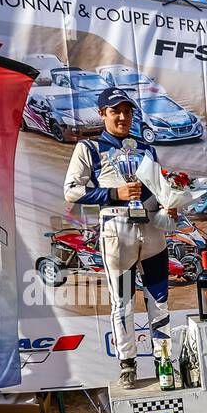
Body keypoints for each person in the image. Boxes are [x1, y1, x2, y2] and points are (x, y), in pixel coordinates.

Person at [64, 87, 175, 390]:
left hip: (151, 232)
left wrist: (170, 201)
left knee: (160, 302)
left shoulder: (145, 148)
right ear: (102, 114)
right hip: (118, 235)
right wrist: (115, 193)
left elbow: (155, 189)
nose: (123, 117)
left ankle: (165, 362)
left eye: (127, 111)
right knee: (122, 304)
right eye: (116, 112)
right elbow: (72, 190)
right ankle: (127, 364)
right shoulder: (90, 147)